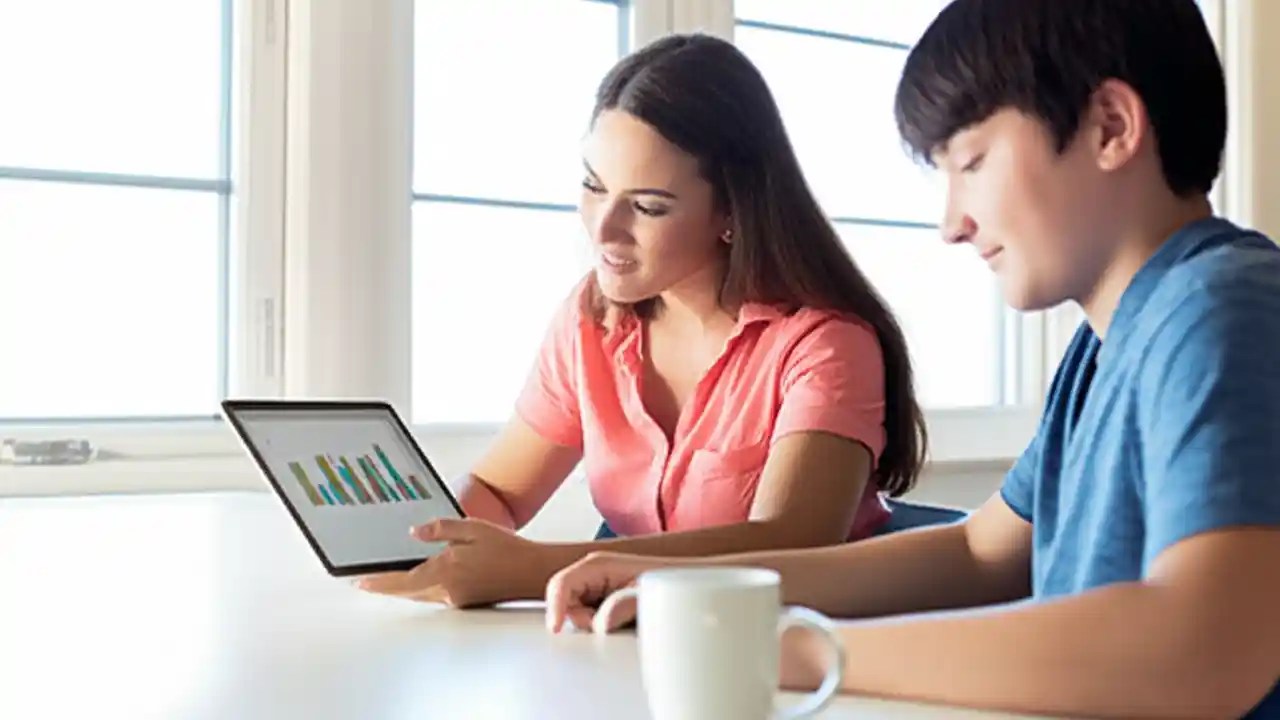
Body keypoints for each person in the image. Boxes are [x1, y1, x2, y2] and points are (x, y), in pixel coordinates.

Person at [545, 1, 1280, 717]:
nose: (952, 224)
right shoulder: (1105, 347)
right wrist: (683, 581)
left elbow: (1202, 650)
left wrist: (785, 651)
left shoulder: (1221, 307)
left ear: (1111, 127)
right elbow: (979, 554)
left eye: (972, 163)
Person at [358, 34, 927, 608]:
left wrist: (537, 571)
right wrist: (430, 545)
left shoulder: (825, 344)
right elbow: (498, 494)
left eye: (648, 206)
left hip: (797, 654)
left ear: (732, 210)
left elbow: (791, 546)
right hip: (639, 649)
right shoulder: (590, 324)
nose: (603, 229)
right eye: (593, 185)